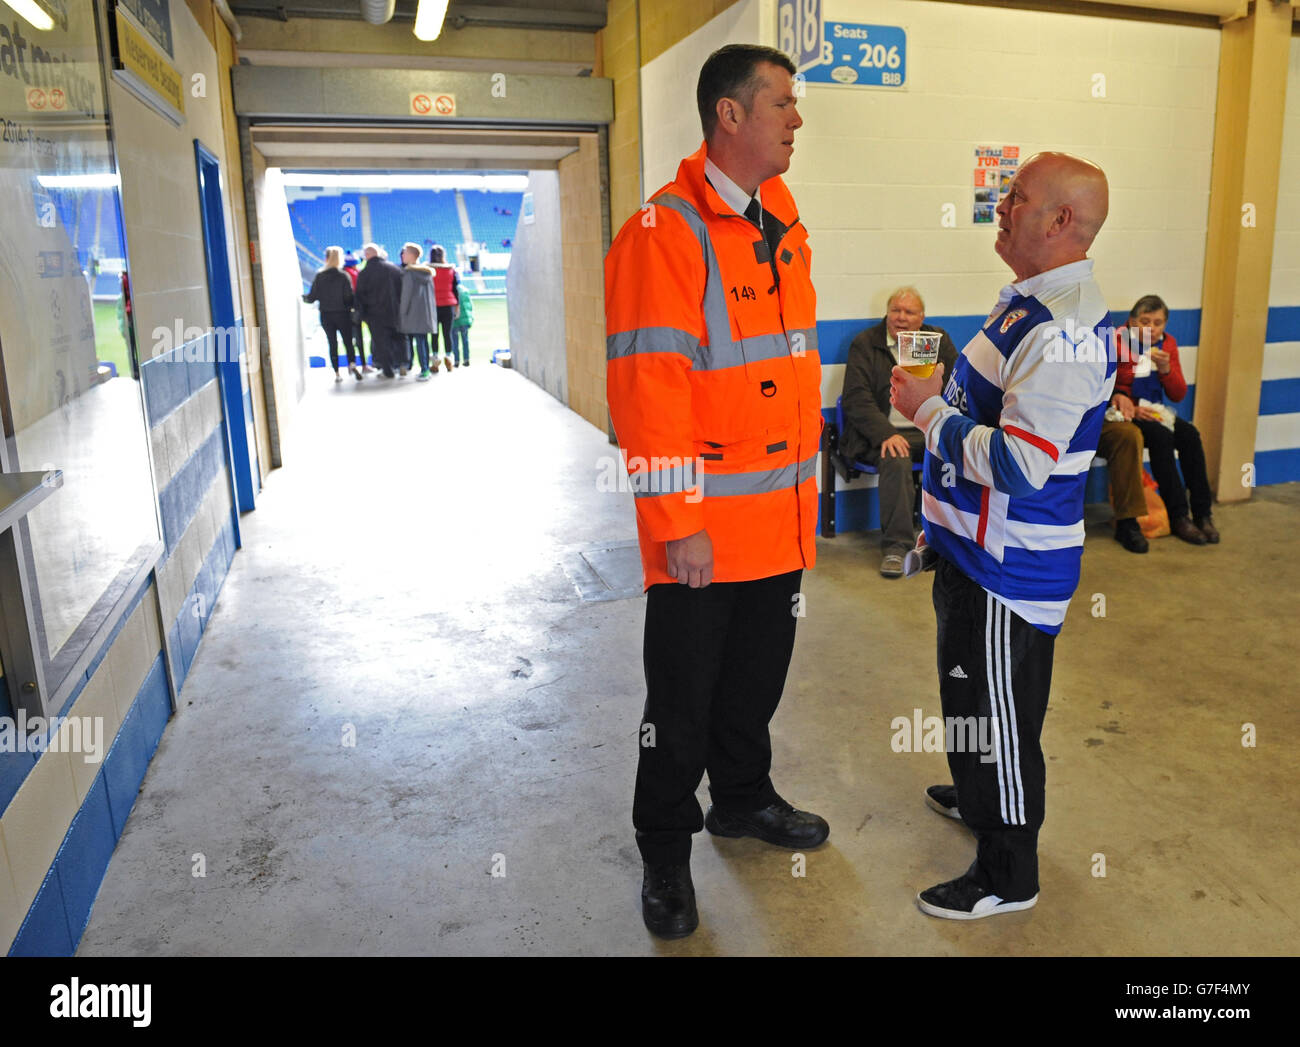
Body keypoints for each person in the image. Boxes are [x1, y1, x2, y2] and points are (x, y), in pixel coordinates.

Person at [604, 43, 827, 941]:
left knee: (754, 683)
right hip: (702, 533)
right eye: (782, 103)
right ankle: (665, 849)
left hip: (781, 520)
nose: (796, 119)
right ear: (728, 116)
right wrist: (677, 523)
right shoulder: (664, 232)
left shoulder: (780, 217)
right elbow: (647, 389)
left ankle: (742, 799)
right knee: (680, 705)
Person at [890, 152, 1114, 919]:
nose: (1000, 206)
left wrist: (927, 413)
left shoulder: (1069, 330)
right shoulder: (1030, 299)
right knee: (977, 702)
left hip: (1006, 571)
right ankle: (983, 789)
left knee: (1000, 717)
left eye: (1016, 198)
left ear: (1058, 222)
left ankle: (1007, 866)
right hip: (972, 553)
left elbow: (1021, 465)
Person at [840, 287, 958, 576]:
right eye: (896, 310)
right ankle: (897, 548)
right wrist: (885, 434)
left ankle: (950, 542)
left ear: (922, 317)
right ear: (887, 313)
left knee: (959, 452)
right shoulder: (866, 344)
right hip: (880, 433)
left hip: (926, 428)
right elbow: (856, 398)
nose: (901, 318)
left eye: (909, 312)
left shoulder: (936, 340)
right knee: (896, 456)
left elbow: (957, 385)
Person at [1116, 294, 1219, 544]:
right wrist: (1132, 402)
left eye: (1158, 322)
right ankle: (1178, 515)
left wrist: (1166, 370)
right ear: (1131, 322)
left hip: (1156, 410)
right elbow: (1110, 386)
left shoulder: (1167, 344)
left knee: (1190, 435)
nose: (1151, 328)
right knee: (1161, 437)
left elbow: (1178, 393)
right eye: (1144, 321)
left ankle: (1203, 513)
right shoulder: (1118, 341)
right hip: (1126, 411)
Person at [303, 246, 361, 382]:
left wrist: (302, 297)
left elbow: (311, 297)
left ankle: (337, 373)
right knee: (348, 342)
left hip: (326, 315)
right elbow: (349, 297)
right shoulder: (343, 276)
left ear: (326, 259)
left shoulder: (320, 276)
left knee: (332, 343)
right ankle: (352, 364)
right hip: (343, 314)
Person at [1097, 410, 1148, 553]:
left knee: (1127, 434)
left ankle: (1128, 520)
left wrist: (1117, 394)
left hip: (1094, 418)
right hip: (1052, 414)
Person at [355, 243, 404, 379]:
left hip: (374, 315)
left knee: (381, 343)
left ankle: (387, 370)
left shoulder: (364, 273)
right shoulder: (395, 269)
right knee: (399, 339)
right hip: (395, 312)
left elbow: (359, 296)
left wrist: (364, 315)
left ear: (367, 255)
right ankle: (402, 365)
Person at [397, 242, 439, 381]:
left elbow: (406, 296)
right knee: (423, 342)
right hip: (425, 314)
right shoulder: (426, 272)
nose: (403, 255)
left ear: (412, 255)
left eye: (405, 252)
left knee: (419, 343)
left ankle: (424, 370)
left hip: (412, 314)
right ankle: (425, 368)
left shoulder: (409, 273)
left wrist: (401, 313)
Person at [428, 244, 460, 371]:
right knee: (447, 333)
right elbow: (455, 289)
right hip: (449, 304)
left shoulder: (427, 270)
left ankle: (435, 359)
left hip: (433, 305)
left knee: (434, 334)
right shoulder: (451, 270)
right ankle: (449, 357)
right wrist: (457, 306)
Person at [342, 254, 372, 373]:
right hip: (356, 310)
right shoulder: (355, 274)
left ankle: (352, 364)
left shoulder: (341, 274)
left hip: (343, 312)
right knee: (359, 339)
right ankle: (364, 365)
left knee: (348, 340)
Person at [450, 280, 474, 367]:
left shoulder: (451, 290)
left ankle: (456, 361)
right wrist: (470, 319)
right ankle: (466, 359)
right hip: (465, 320)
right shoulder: (465, 290)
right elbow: (470, 306)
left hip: (455, 320)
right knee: (465, 340)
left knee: (455, 342)